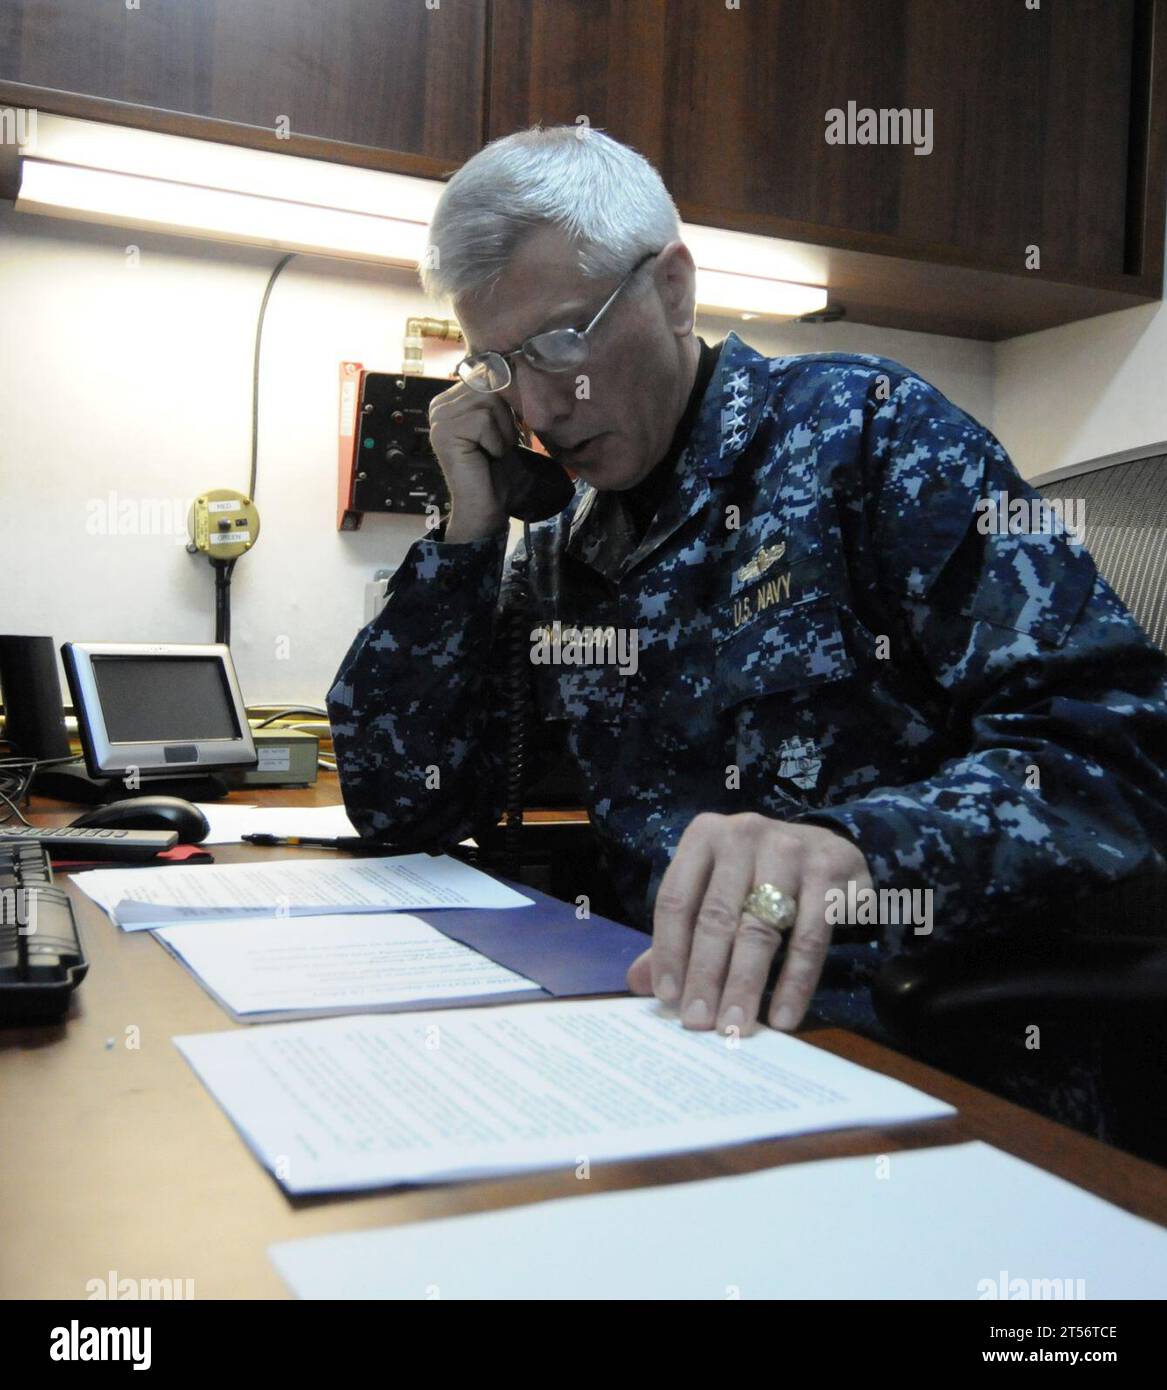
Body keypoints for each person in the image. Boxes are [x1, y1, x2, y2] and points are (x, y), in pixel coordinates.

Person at [327, 126, 1167, 1130]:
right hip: (663, 1047)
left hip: (908, 1062)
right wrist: (467, 534)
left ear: (673, 290)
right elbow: (400, 804)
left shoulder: (870, 434)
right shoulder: (564, 543)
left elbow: (1119, 759)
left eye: (560, 341)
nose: (542, 405)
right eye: (500, 368)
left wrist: (857, 851)